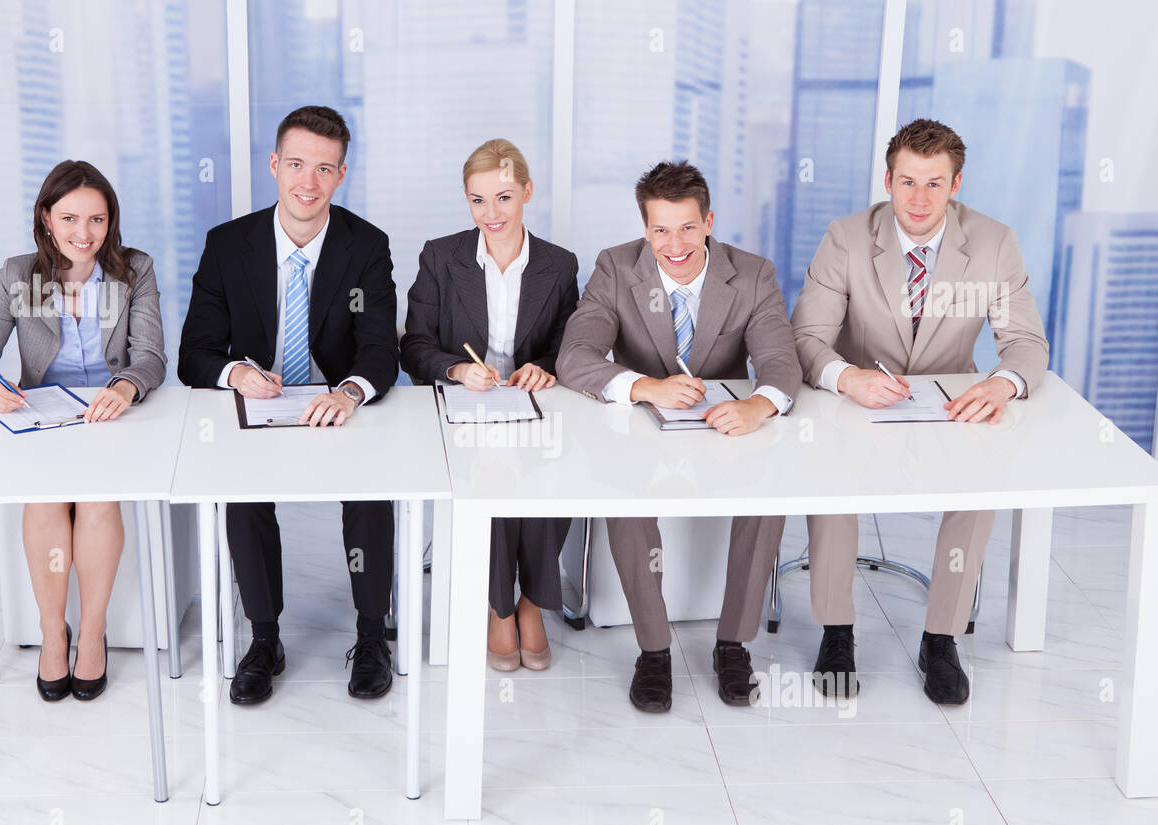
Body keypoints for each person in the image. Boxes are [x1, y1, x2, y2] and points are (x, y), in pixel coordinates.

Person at [790, 118, 1049, 705]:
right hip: (855, 408)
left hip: (949, 409)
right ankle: (837, 630)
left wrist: (1003, 384)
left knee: (979, 487)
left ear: (956, 183)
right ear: (888, 179)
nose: (918, 198)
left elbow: (1026, 343)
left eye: (934, 183)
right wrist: (846, 375)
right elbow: (805, 336)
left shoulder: (994, 241)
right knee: (835, 484)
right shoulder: (847, 237)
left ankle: (942, 637)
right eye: (907, 182)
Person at [556, 161, 801, 712]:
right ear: (645, 229)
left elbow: (782, 360)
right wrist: (645, 386)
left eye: (688, 227)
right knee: (626, 501)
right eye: (661, 229)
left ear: (708, 221)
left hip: (726, 428)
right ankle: (654, 650)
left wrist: (760, 405)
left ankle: (734, 643)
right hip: (645, 428)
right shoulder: (616, 268)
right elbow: (575, 357)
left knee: (770, 500)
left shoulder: (754, 273)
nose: (675, 243)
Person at [177, 105, 399, 704]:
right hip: (262, 405)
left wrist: (351, 390)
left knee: (373, 487)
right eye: (297, 164)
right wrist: (235, 373)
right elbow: (193, 353)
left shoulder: (366, 246)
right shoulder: (228, 245)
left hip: (337, 406)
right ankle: (265, 637)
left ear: (342, 175)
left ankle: (373, 634)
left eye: (324, 169)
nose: (308, 183)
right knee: (244, 494)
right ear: (275, 165)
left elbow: (382, 351)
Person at [0, 159, 167, 703]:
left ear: (111, 221)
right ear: (46, 218)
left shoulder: (133, 271)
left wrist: (125, 388)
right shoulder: (19, 274)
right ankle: (54, 633)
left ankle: (92, 634)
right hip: (45, 418)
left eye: (97, 220)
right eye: (70, 218)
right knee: (46, 502)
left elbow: (153, 358)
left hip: (112, 418)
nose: (84, 234)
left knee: (96, 502)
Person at [402, 138, 580, 671]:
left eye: (504, 198)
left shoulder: (560, 264)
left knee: (556, 475)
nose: (492, 213)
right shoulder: (441, 256)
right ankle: (501, 608)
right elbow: (413, 345)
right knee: (490, 477)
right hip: (467, 411)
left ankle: (532, 603)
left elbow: (570, 345)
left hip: (534, 407)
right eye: (478, 201)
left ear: (526, 192)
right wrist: (455, 370)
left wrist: (545, 367)